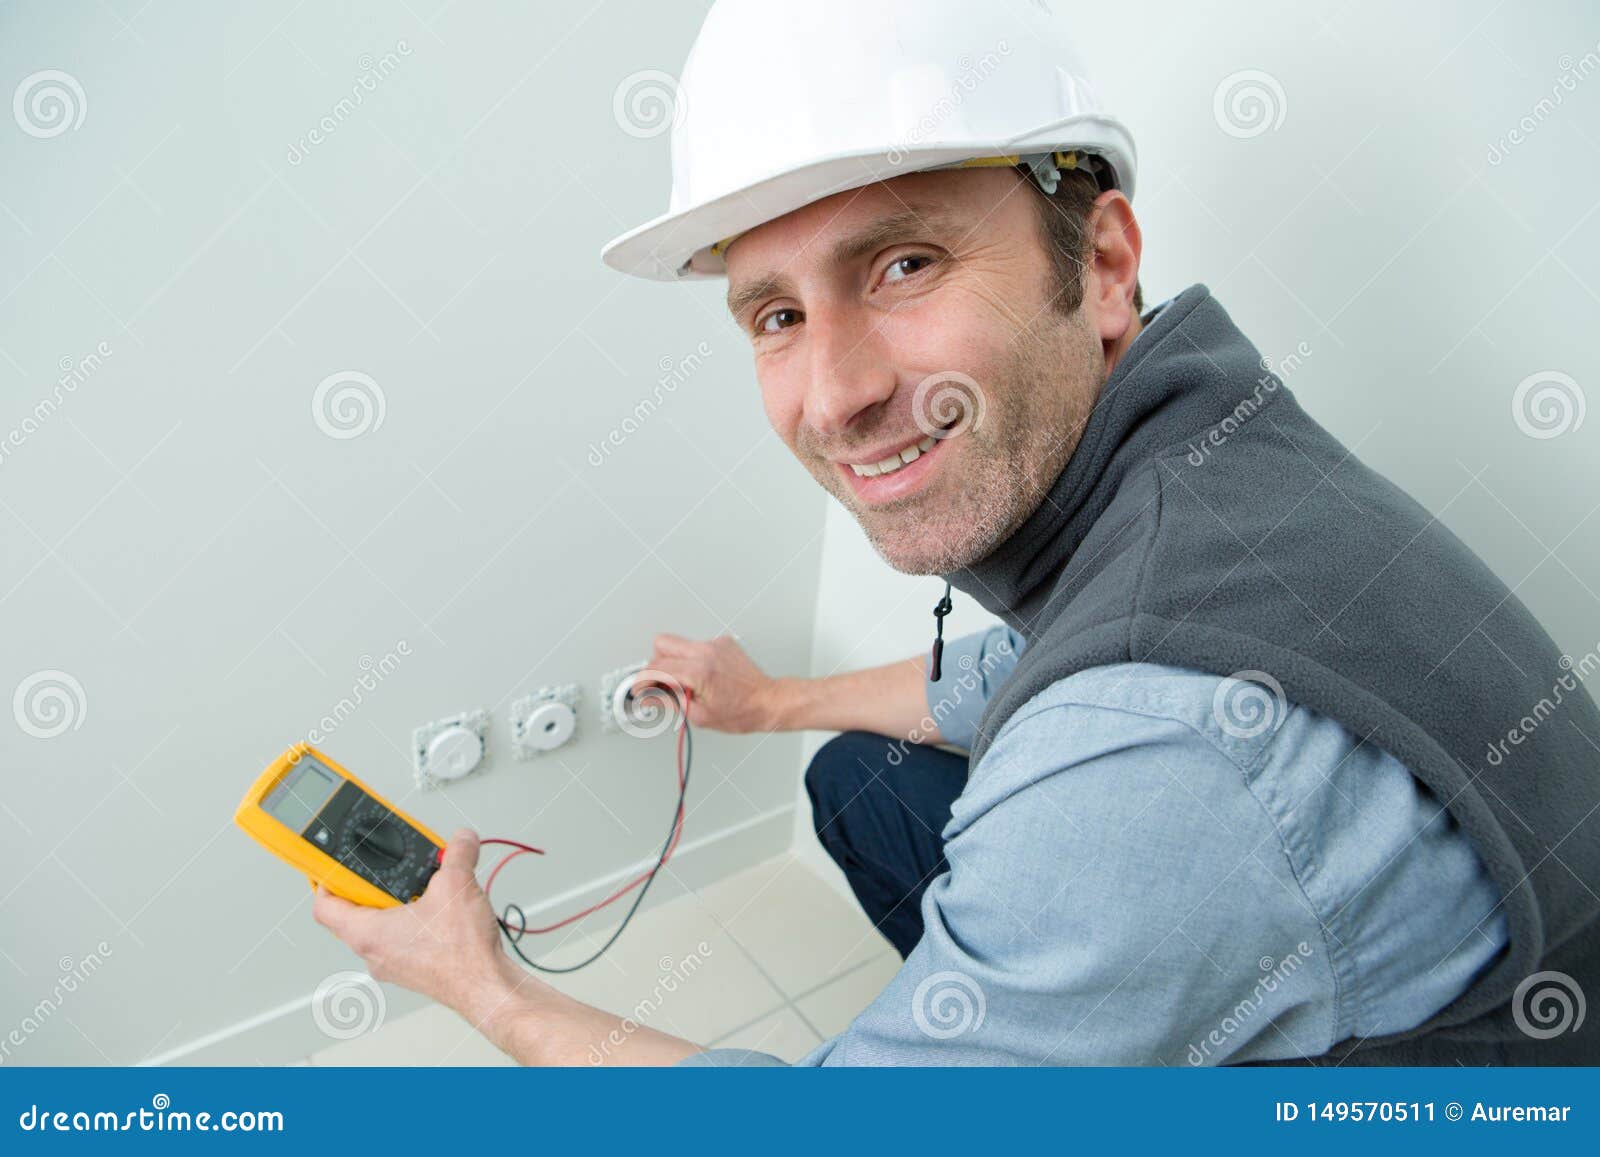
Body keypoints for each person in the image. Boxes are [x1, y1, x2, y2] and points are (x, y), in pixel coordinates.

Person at [313, 0, 1600, 1065]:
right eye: (774, 316)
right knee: (853, 774)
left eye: (904, 265)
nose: (834, 395)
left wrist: (484, 984)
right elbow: (1022, 675)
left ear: (1098, 263)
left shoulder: (1156, 753)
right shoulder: (1211, 450)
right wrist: (774, 705)